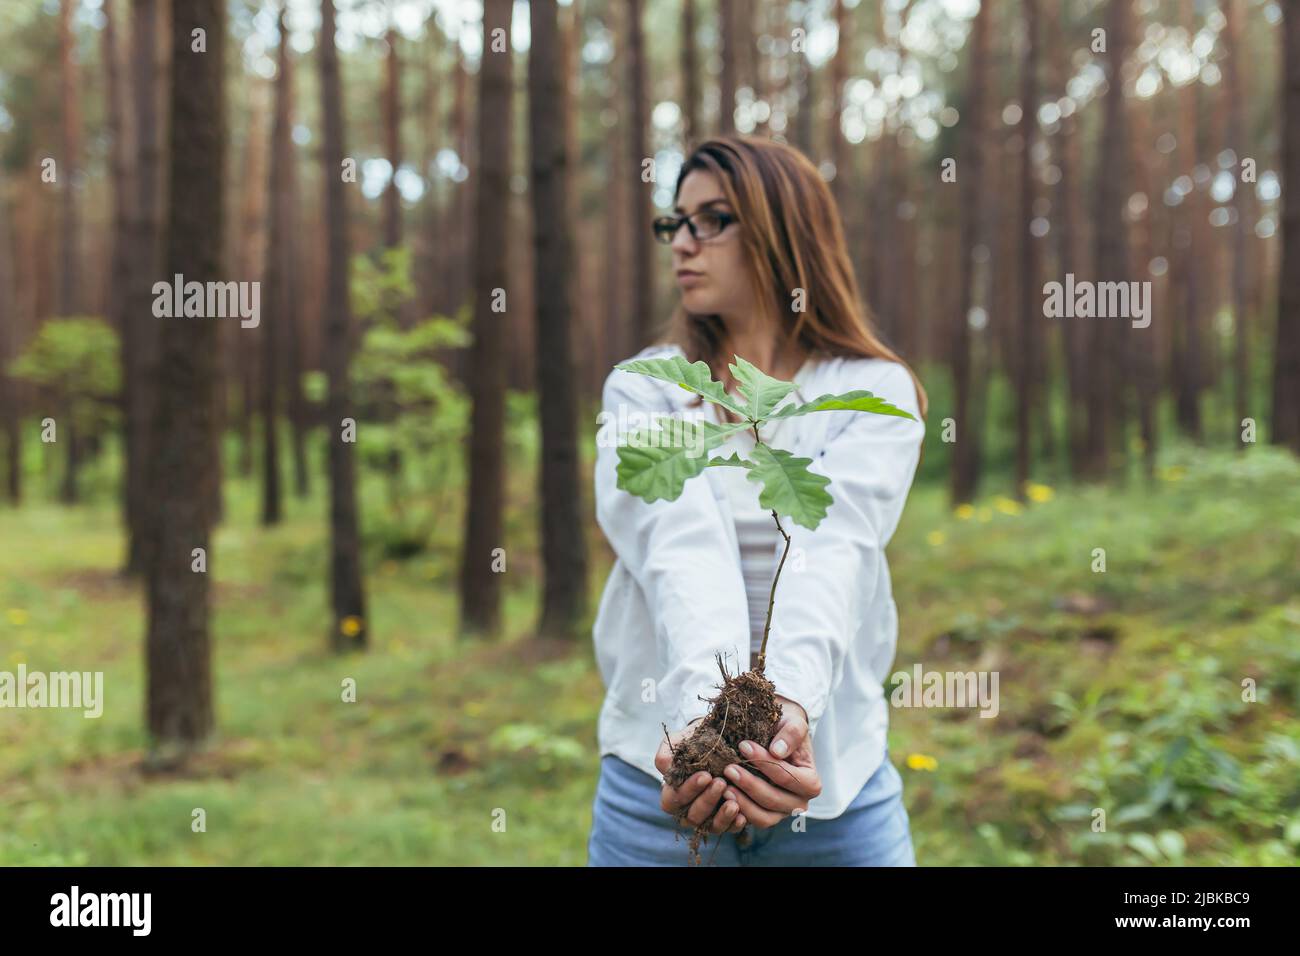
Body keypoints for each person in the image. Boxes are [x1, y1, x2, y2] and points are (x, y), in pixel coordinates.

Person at [586, 135, 927, 866]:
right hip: (659, 778)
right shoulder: (648, 387)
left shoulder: (872, 394)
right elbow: (678, 545)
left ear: (784, 230)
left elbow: (833, 547)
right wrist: (699, 735)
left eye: (713, 219)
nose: (683, 242)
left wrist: (789, 712)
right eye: (674, 222)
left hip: (831, 780)